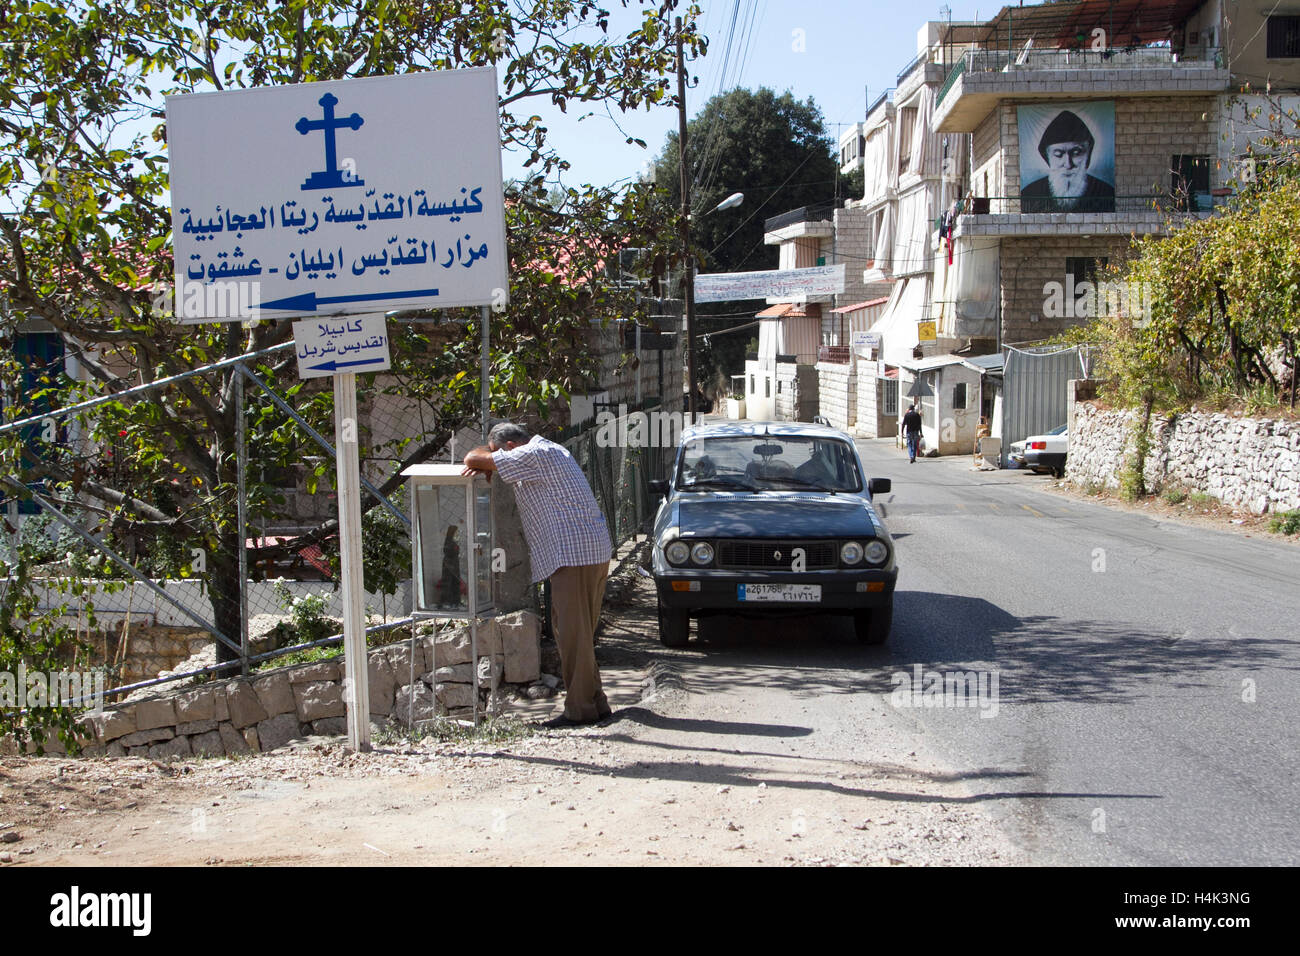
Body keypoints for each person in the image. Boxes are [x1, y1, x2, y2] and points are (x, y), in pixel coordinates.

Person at [462, 422, 613, 727]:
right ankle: (595, 702)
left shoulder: (534, 454)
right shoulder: (547, 450)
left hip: (573, 554)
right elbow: (482, 457)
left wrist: (488, 462)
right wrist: (490, 460)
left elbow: (471, 459)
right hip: (584, 551)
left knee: (572, 634)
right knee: (576, 633)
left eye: (499, 456)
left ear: (510, 448)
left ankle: (580, 710)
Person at [1020, 110, 1115, 213]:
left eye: (1076, 153)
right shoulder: (1029, 193)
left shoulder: (1106, 192)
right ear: (1048, 157)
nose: (1068, 164)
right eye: (1058, 155)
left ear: (1088, 155)